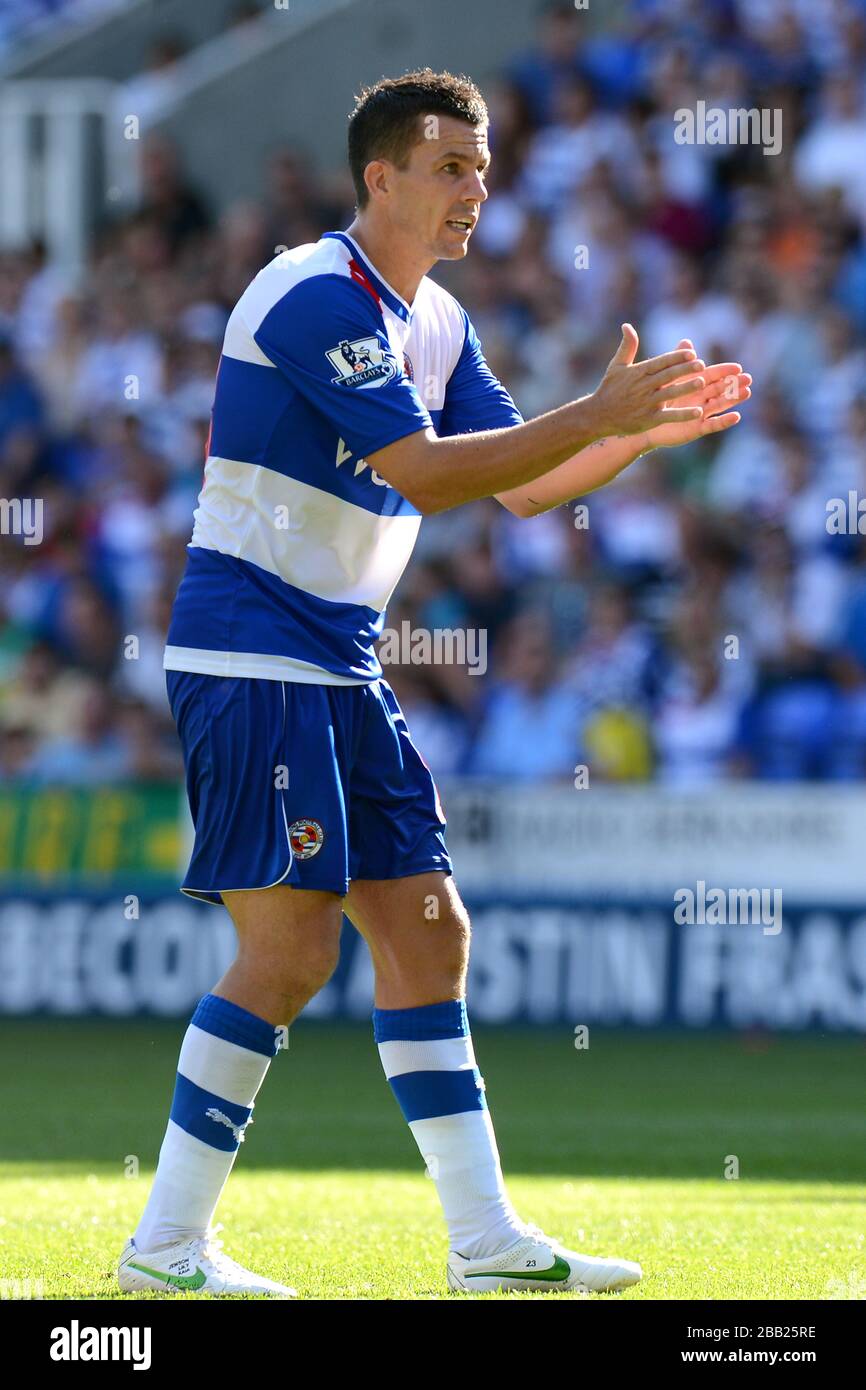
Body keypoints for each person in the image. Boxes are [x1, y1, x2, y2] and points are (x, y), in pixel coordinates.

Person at [119, 68, 750, 1298]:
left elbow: (519, 486)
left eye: (482, 167)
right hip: (253, 650)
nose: (474, 187)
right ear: (381, 177)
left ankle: (482, 1246)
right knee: (292, 949)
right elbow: (423, 474)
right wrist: (590, 410)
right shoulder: (309, 292)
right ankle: (164, 1248)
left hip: (336, 659)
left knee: (426, 932)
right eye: (450, 166)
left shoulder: (439, 317)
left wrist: (635, 436)